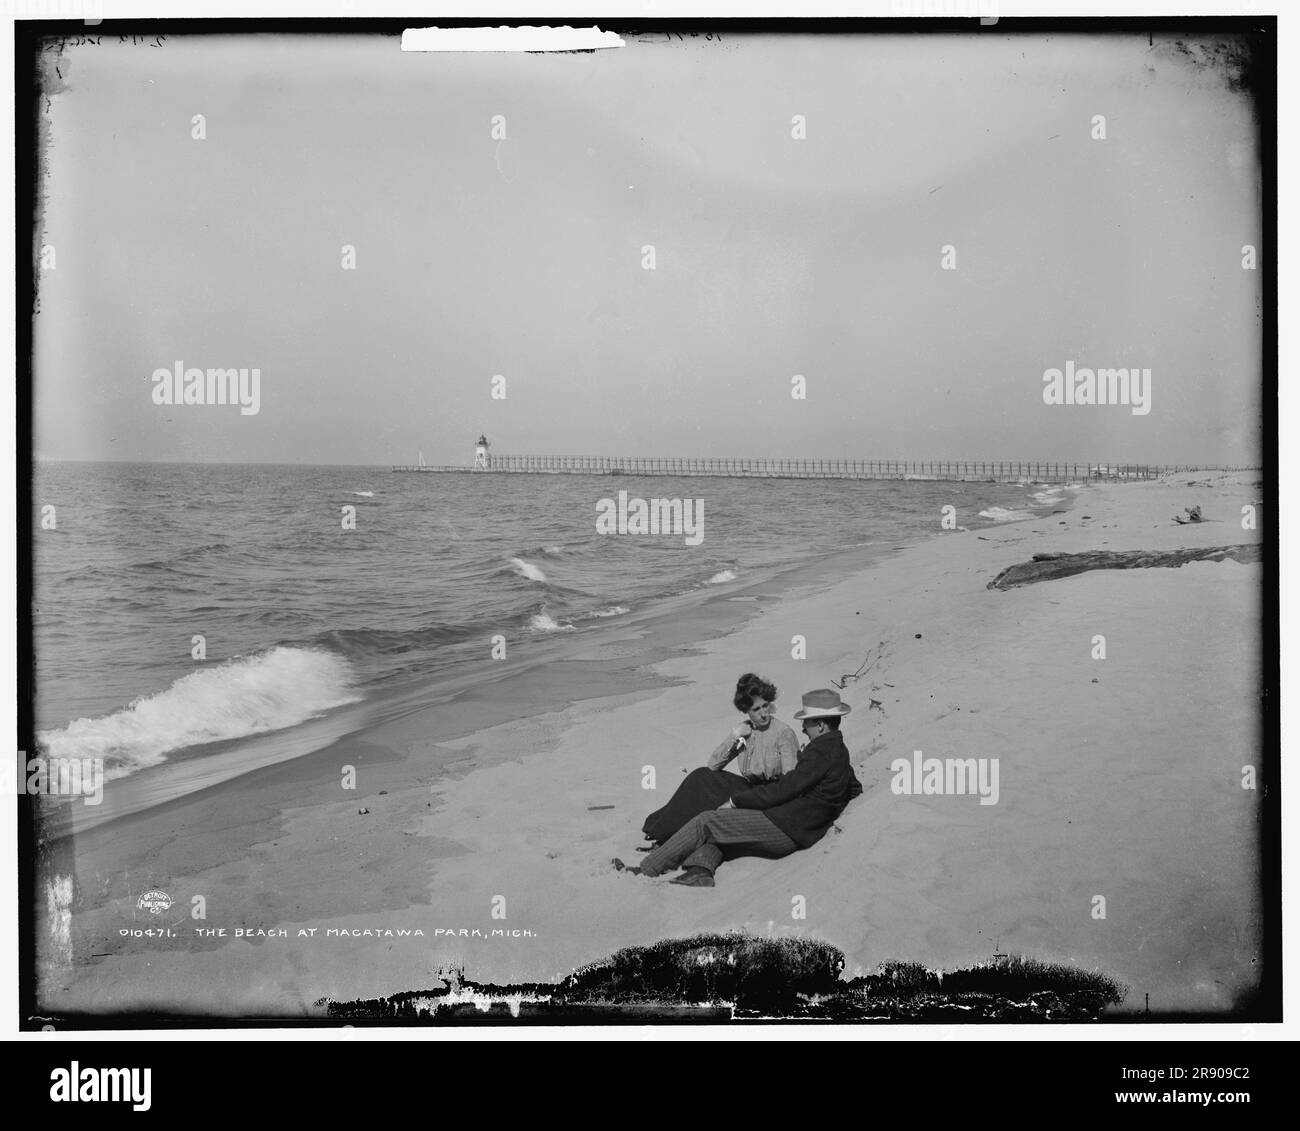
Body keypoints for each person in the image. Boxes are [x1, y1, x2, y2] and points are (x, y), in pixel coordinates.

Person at [615, 688, 862, 887]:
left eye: (806, 723)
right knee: (722, 830)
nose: (802, 728)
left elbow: (784, 789)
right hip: (795, 826)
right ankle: (700, 871)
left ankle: (646, 869)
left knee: (707, 821)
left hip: (786, 827)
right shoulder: (838, 750)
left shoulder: (819, 752)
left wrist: (737, 801)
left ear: (820, 726)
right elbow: (854, 789)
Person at [640, 673, 799, 846]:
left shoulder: (783, 734)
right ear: (746, 710)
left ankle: (666, 835)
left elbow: (790, 783)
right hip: (749, 788)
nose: (763, 714)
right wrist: (735, 736)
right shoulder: (746, 731)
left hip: (769, 796)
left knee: (707, 798)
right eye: (756, 709)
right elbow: (713, 765)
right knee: (701, 776)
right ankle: (659, 827)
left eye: (765, 706)